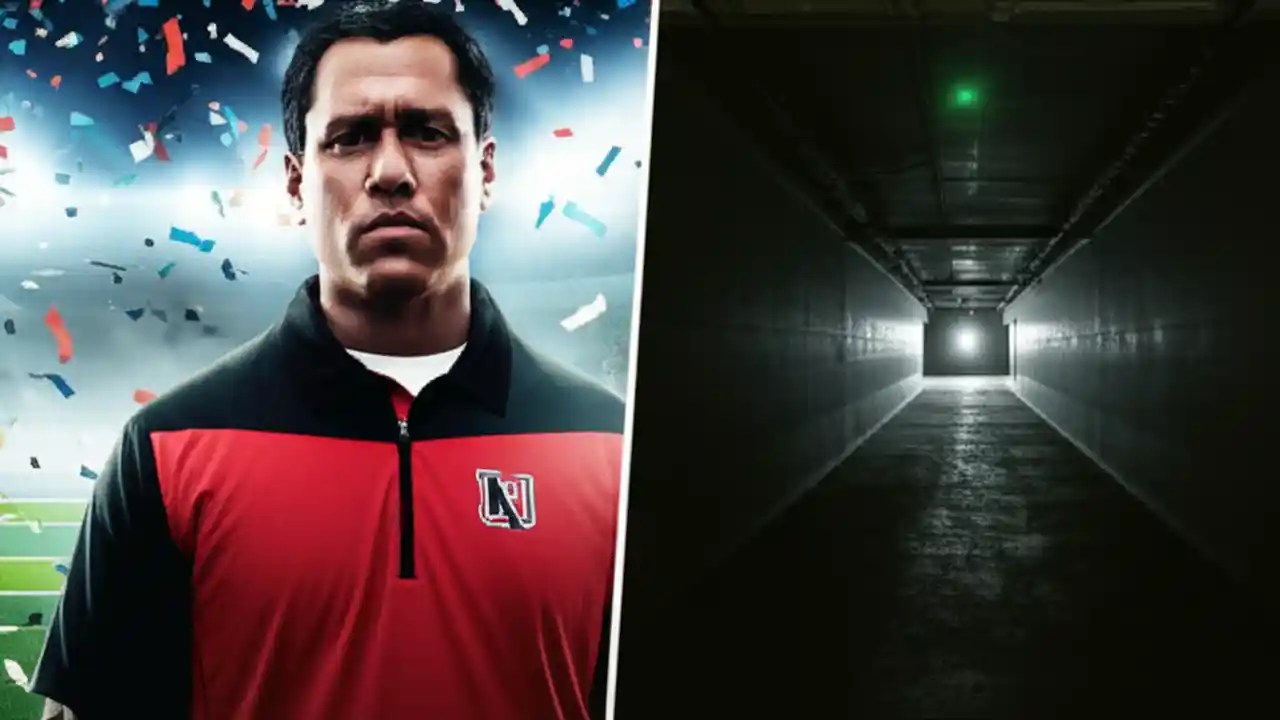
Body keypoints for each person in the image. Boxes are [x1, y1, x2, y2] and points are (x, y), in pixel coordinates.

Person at [29, 2, 625, 718]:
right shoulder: (165, 450)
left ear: (485, 169)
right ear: (294, 182)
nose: (390, 172)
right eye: (349, 138)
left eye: (428, 133)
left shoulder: (615, 449)